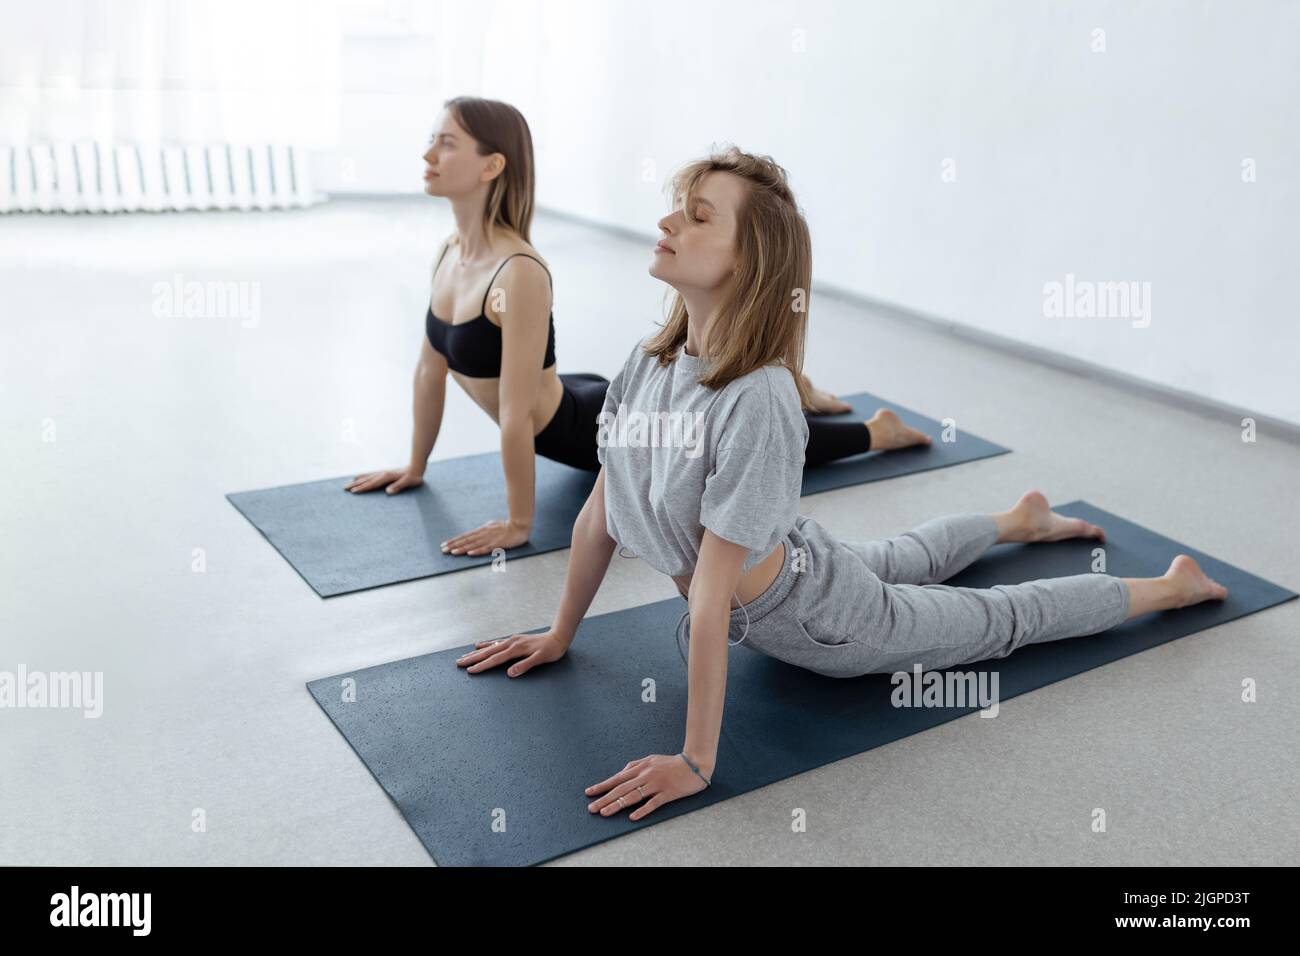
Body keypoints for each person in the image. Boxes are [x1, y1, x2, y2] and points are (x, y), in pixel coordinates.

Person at [453, 145, 1229, 823]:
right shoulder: (646, 362)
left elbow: (713, 595)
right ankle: (1017, 518)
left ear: (747, 261)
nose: (669, 225)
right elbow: (600, 512)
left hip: (827, 623)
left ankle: (1169, 587)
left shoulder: (757, 398)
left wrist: (695, 762)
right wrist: (560, 634)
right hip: (797, 560)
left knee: (998, 619)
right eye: (674, 211)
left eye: (696, 218)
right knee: (899, 553)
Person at [346, 97, 931, 558]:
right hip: (573, 387)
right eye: (432, 140)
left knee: (732, 442)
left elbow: (519, 415)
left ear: (492, 165)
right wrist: (415, 466)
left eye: (445, 143)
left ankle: (875, 431)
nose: (428, 153)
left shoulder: (518, 273)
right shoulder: (450, 251)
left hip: (567, 426)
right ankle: (805, 389)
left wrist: (519, 523)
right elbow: (430, 367)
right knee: (704, 407)